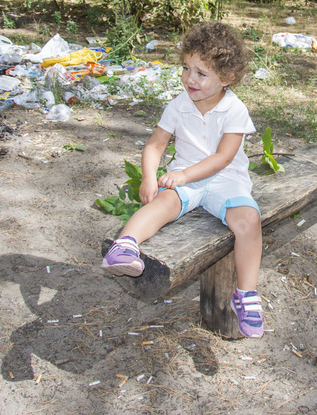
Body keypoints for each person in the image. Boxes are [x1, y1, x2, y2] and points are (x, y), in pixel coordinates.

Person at [101, 22, 264, 338]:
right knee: (163, 201)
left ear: (226, 78)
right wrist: (149, 177)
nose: (190, 79)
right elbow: (155, 144)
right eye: (186, 68)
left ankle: (246, 295)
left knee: (249, 221)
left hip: (225, 180)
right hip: (184, 177)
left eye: (201, 73)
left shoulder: (235, 109)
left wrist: (183, 175)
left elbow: (223, 158)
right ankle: (124, 246)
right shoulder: (178, 105)